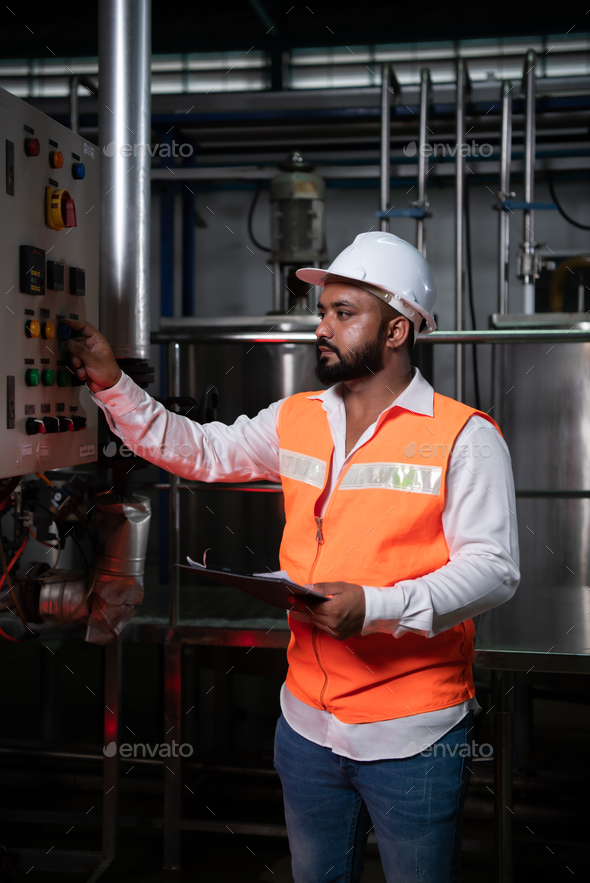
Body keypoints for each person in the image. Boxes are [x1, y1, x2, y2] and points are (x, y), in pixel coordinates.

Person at [64, 231, 520, 883]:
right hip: (305, 728)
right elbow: (196, 448)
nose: (322, 327)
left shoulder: (465, 437)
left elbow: (495, 567)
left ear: (396, 330)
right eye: (322, 311)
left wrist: (379, 606)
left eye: (342, 313)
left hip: (413, 737)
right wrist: (111, 386)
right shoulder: (297, 417)